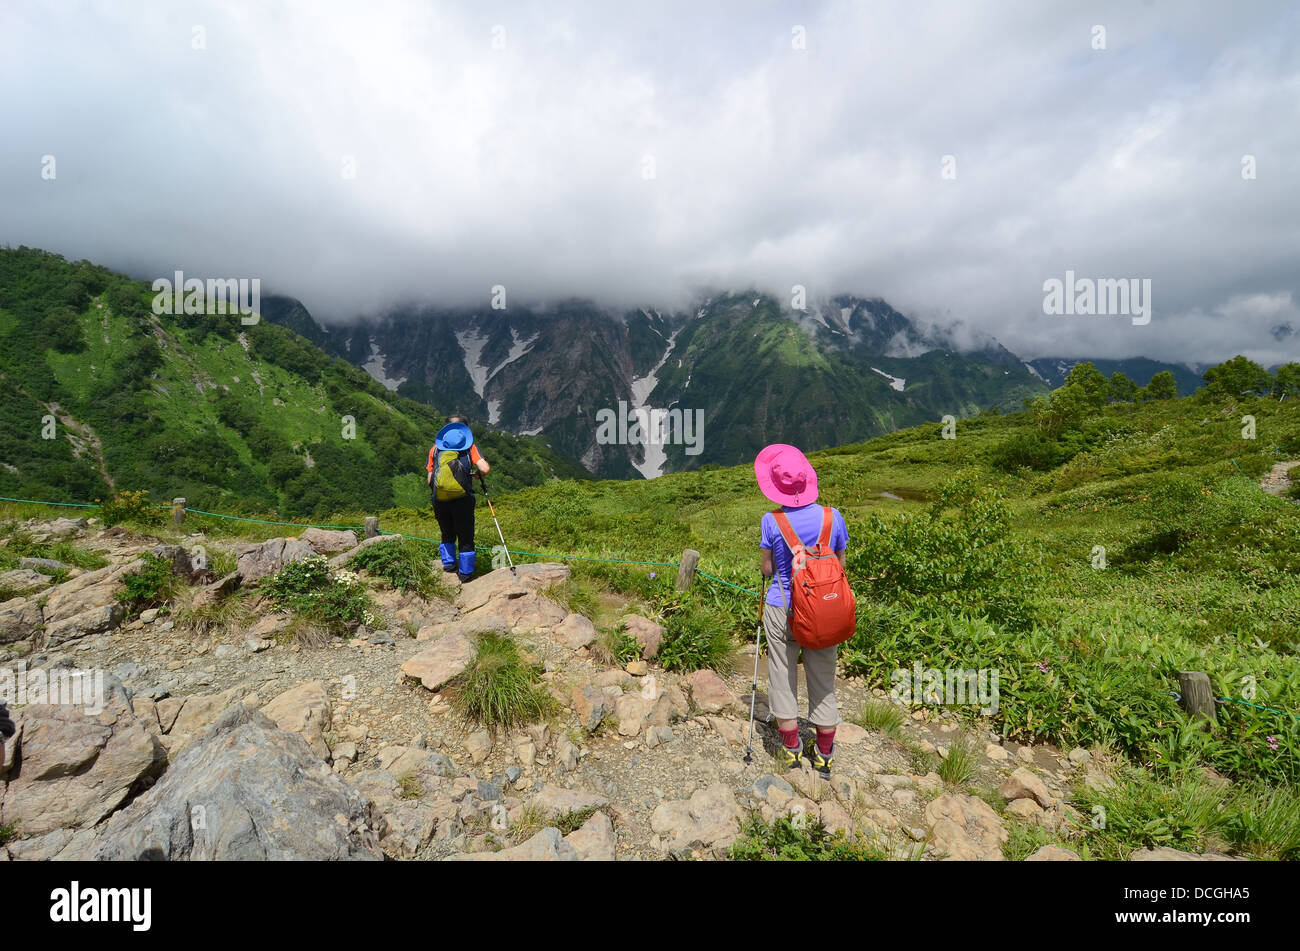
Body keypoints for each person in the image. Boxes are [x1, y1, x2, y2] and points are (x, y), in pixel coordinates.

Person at [755, 443, 849, 775]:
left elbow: (767, 570)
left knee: (783, 673)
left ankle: (792, 748)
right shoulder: (831, 516)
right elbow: (839, 564)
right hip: (824, 610)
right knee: (823, 677)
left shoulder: (771, 520)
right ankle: (824, 754)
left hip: (783, 607)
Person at [427, 415, 490, 582]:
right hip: (463, 499)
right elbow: (485, 468)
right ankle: (465, 574)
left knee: (446, 532)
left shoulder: (435, 449)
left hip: (439, 499)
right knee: (465, 535)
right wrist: (477, 475)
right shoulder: (470, 448)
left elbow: (429, 478)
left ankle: (448, 565)